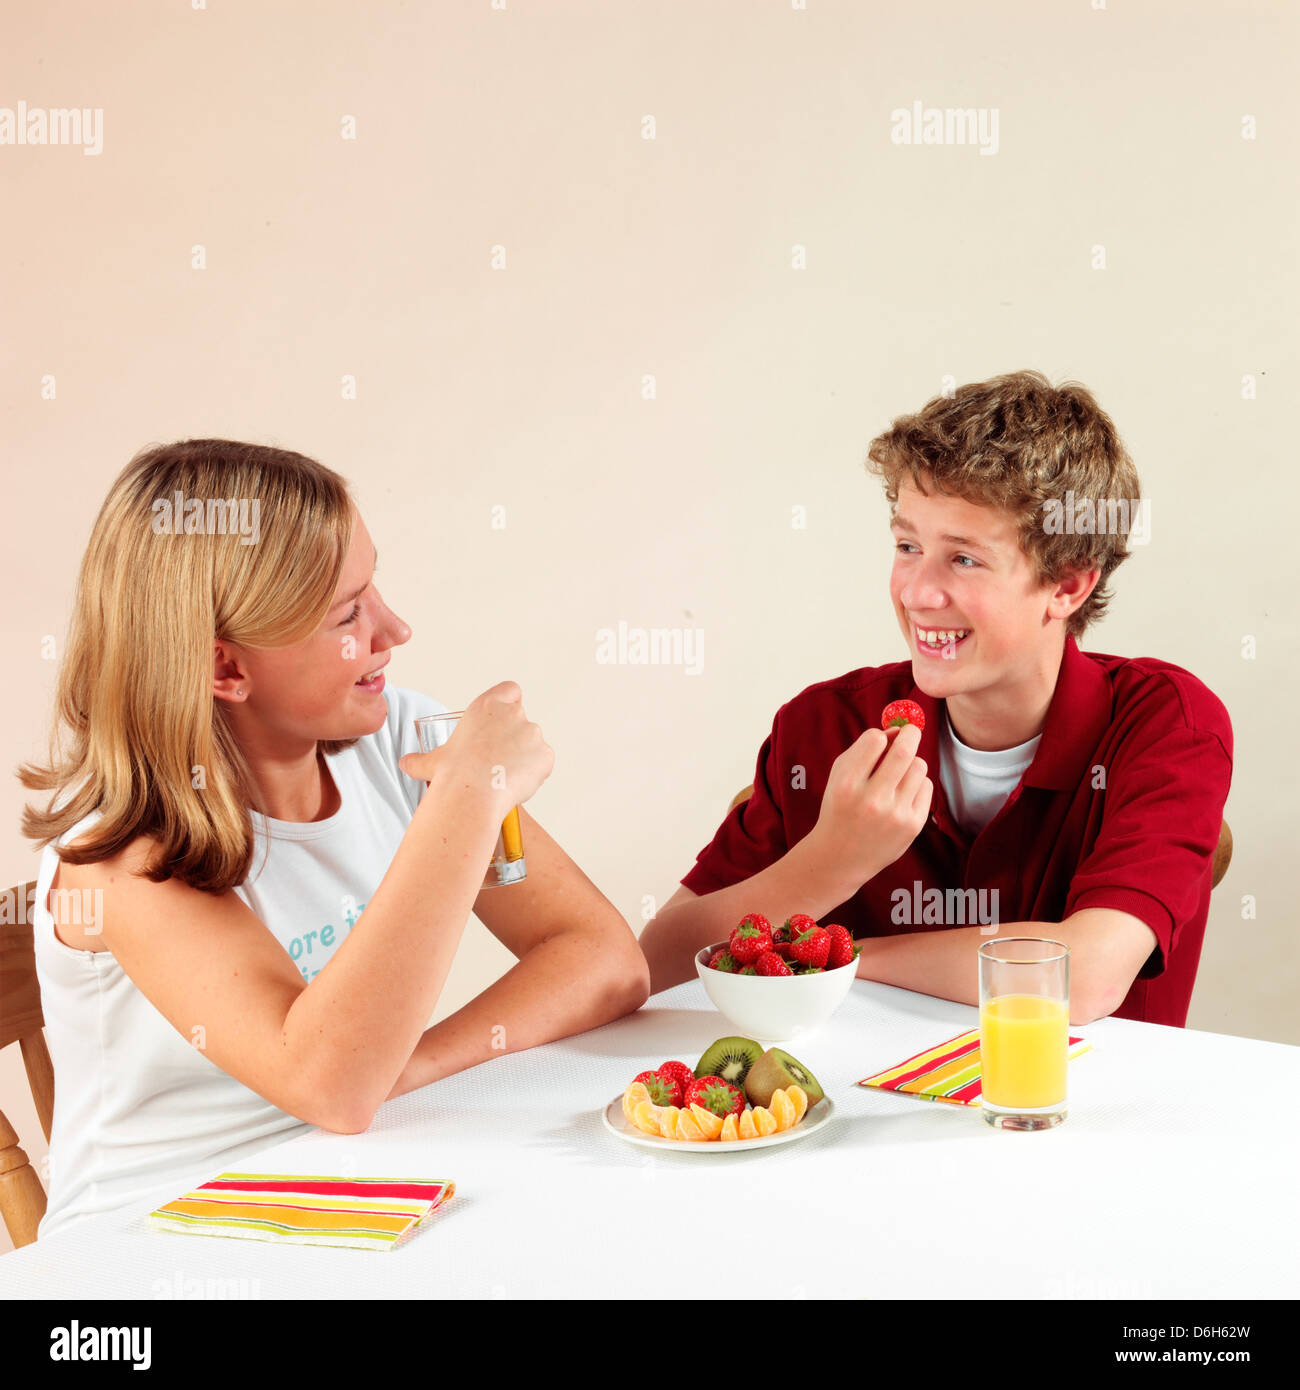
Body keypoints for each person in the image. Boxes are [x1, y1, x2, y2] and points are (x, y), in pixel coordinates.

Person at [20, 439, 649, 1239]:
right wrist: (466, 798)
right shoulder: (122, 856)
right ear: (225, 669)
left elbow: (601, 959)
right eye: (347, 614)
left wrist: (405, 1068)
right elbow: (333, 1085)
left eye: (373, 585)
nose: (395, 627)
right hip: (156, 1239)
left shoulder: (401, 738)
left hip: (355, 1180)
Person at [639, 370, 1232, 1028]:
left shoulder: (1168, 724)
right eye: (907, 545)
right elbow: (654, 966)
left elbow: (1082, 976)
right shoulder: (822, 727)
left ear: (1066, 587)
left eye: (964, 559)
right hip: (866, 1120)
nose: (917, 592)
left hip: (1088, 1120)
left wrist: (830, 956)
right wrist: (830, 862)